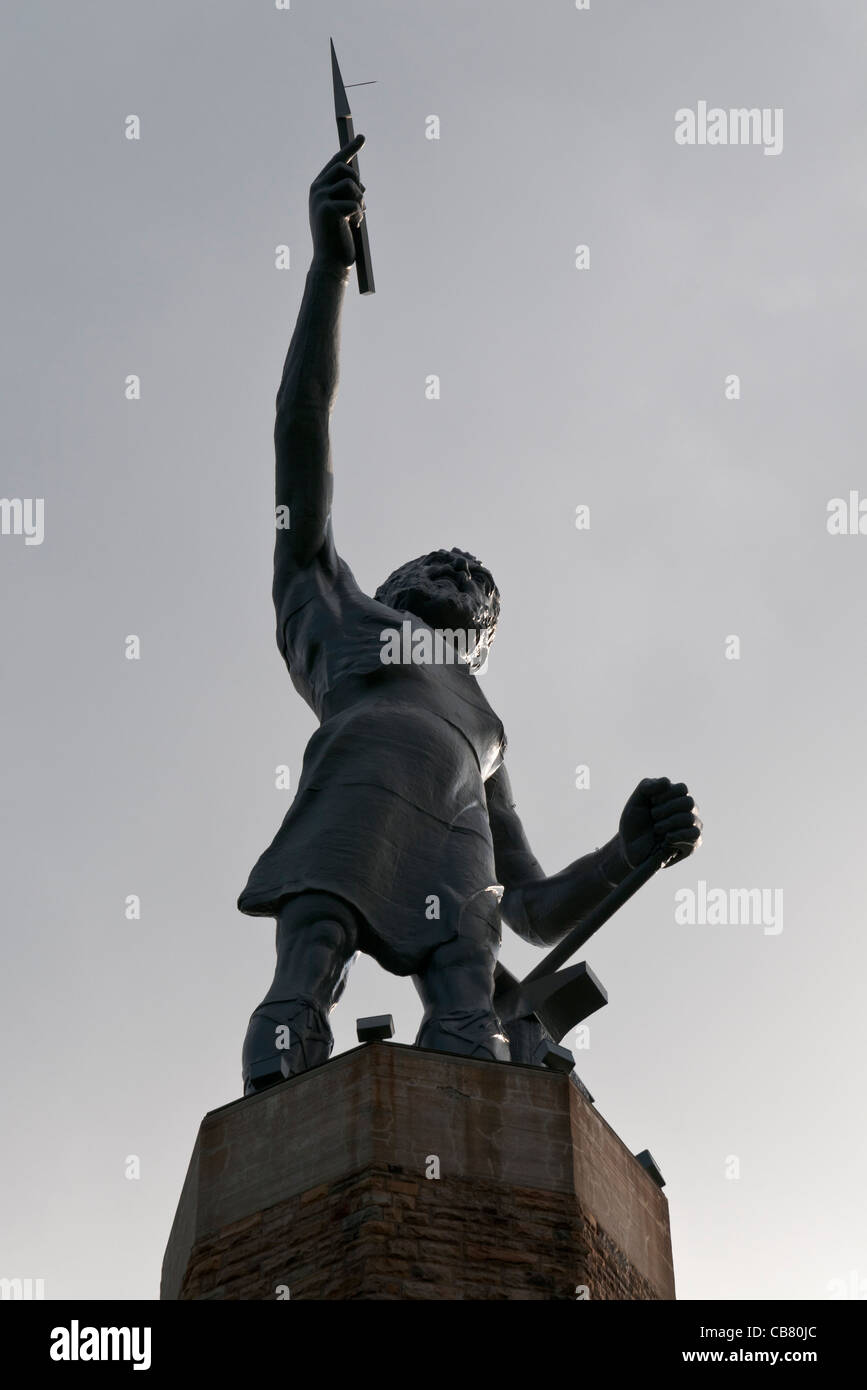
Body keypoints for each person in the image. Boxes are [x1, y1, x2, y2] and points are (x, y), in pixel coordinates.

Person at [238, 136, 702, 1095]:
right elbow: (301, 424)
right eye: (442, 563)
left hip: (458, 852)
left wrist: (626, 849)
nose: (461, 569)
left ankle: (472, 1198)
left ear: (483, 637)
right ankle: (285, 1137)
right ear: (399, 582)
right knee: (307, 968)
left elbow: (531, 904)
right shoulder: (332, 603)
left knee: (470, 1017)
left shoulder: (484, 729)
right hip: (356, 792)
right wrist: (327, 269)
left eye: (477, 580)